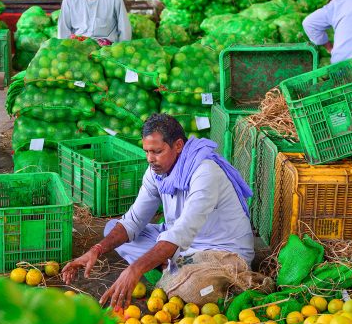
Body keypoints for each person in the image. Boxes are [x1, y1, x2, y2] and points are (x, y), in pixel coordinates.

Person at [61, 114, 254, 309]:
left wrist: (134, 270)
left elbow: (181, 232)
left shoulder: (204, 172)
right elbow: (133, 221)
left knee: (193, 290)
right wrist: (96, 250)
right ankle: (171, 265)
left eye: (157, 151)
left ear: (178, 146)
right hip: (178, 242)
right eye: (146, 152)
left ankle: (172, 268)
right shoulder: (156, 172)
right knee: (112, 228)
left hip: (220, 251)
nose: (150, 159)